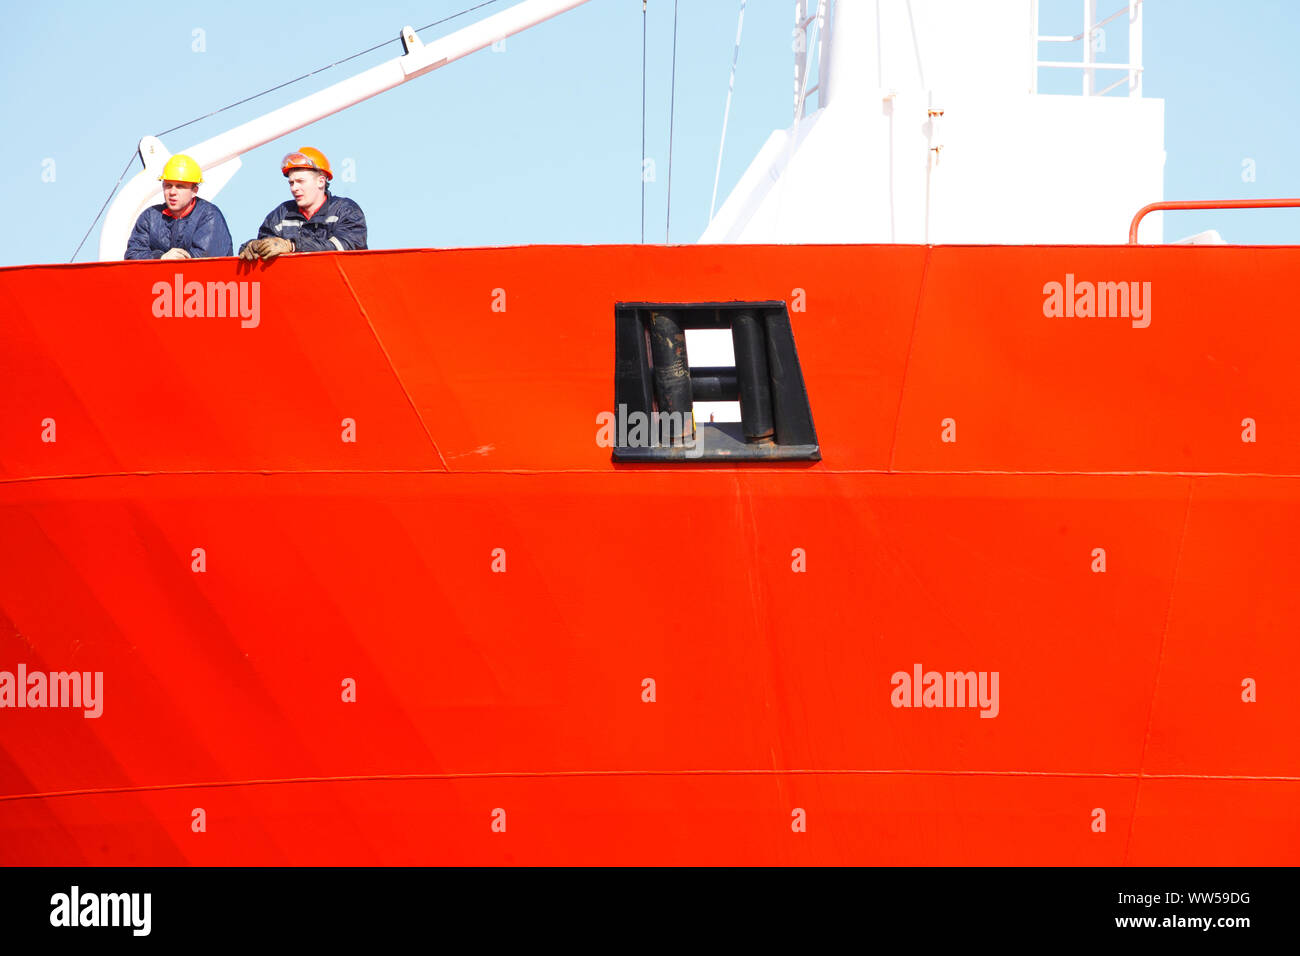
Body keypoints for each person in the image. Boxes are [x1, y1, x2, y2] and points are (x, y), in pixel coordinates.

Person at [238, 147, 367, 260]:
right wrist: (252, 247)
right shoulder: (281, 215)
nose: (294, 188)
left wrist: (292, 246)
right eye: (291, 183)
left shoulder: (345, 211)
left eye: (300, 181)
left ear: (321, 182)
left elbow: (344, 248)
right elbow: (266, 244)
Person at [124, 154, 233, 259]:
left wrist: (176, 260)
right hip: (159, 278)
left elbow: (205, 261)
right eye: (168, 185)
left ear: (194, 191)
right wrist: (161, 257)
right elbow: (132, 255)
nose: (172, 192)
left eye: (180, 186)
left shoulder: (209, 216)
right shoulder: (150, 217)